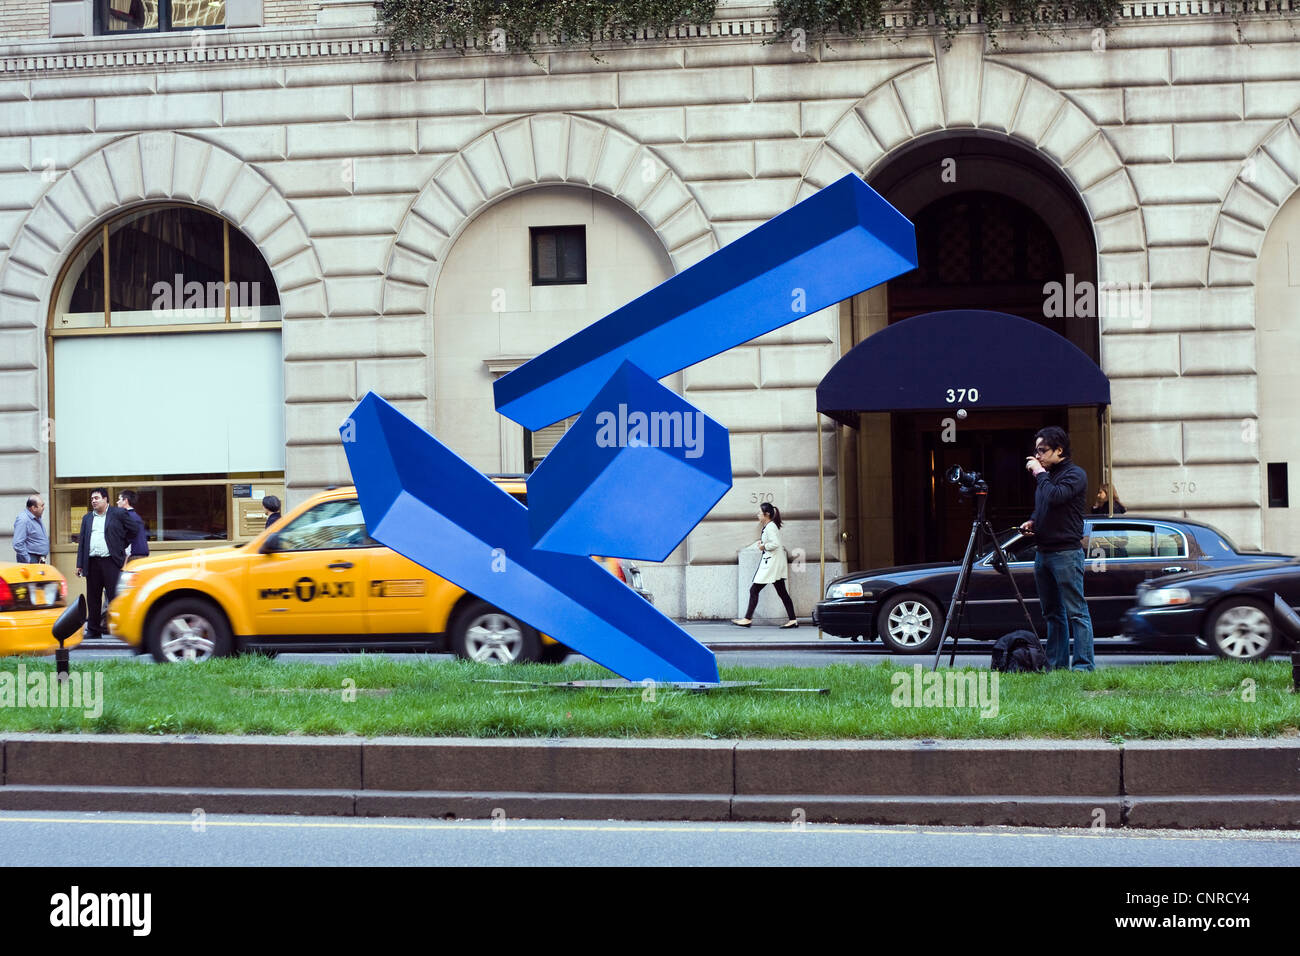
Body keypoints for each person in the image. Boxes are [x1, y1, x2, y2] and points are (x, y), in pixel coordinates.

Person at [1019, 427, 1094, 671]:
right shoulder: (1047, 477)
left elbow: (1055, 496)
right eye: (1036, 451)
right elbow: (1044, 506)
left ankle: (1083, 667)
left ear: (1059, 450)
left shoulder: (1074, 475)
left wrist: (1040, 474)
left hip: (1066, 553)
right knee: (1052, 612)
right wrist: (1032, 521)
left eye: (1043, 451)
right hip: (1043, 552)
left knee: (1076, 612)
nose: (1037, 456)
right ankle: (1056, 665)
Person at [75, 488, 143, 639]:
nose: (93, 501)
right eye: (92, 498)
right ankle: (93, 630)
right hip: (92, 563)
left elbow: (134, 530)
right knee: (93, 598)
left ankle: (120, 629)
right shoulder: (87, 518)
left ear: (106, 499)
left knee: (115, 597)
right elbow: (83, 542)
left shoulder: (117, 514)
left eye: (97, 498)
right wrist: (80, 563)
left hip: (111, 562)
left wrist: (120, 545)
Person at [732, 502, 798, 628]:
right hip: (773, 563)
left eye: (759, 512)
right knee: (782, 593)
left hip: (771, 565)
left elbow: (775, 544)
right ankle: (793, 620)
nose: (757, 514)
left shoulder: (770, 527)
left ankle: (747, 619)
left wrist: (763, 546)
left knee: (754, 590)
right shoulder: (770, 526)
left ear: (766, 514)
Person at [13, 494, 49, 564]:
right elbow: (17, 544)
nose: (44, 508)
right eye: (41, 506)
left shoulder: (36, 517)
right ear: (33, 508)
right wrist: (28, 560)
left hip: (39, 559)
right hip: (31, 559)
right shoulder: (23, 520)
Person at [117, 489, 149, 559]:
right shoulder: (136, 516)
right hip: (141, 554)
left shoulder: (126, 517)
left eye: (119, 499)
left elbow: (128, 537)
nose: (117, 502)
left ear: (125, 501)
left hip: (133, 555)